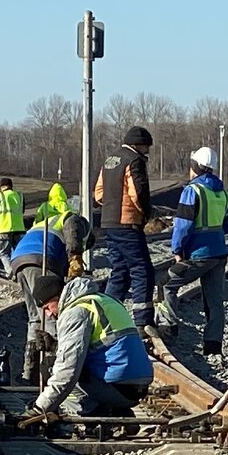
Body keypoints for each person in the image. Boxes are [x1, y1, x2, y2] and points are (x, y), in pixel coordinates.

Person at [19, 273, 153, 425]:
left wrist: (39, 408)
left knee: (51, 367)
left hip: (117, 387)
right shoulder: (103, 300)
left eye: (47, 307)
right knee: (72, 367)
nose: (49, 314)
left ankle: (96, 418)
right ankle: (116, 411)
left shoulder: (75, 312)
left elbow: (67, 371)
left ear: (57, 297)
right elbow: (102, 347)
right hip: (137, 387)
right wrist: (55, 346)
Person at [156, 146, 228, 355]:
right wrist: (223, 229)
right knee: (214, 301)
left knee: (167, 284)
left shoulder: (192, 190)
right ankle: (213, 345)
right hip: (218, 254)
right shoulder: (222, 192)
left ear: (195, 166)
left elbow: (183, 224)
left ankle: (168, 329)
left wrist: (177, 249)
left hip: (198, 254)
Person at [9, 203, 93, 382]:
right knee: (52, 312)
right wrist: (75, 255)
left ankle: (30, 372)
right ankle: (52, 369)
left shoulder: (47, 222)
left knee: (36, 316)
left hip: (19, 261)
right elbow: (72, 228)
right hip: (42, 257)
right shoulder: (75, 221)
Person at [94, 125, 155, 338]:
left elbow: (99, 193)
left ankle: (106, 317)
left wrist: (111, 206)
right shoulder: (134, 161)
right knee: (142, 270)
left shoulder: (110, 160)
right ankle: (143, 321)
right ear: (140, 144)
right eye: (147, 147)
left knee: (120, 271)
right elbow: (137, 193)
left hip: (108, 223)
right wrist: (146, 213)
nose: (147, 151)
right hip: (127, 223)